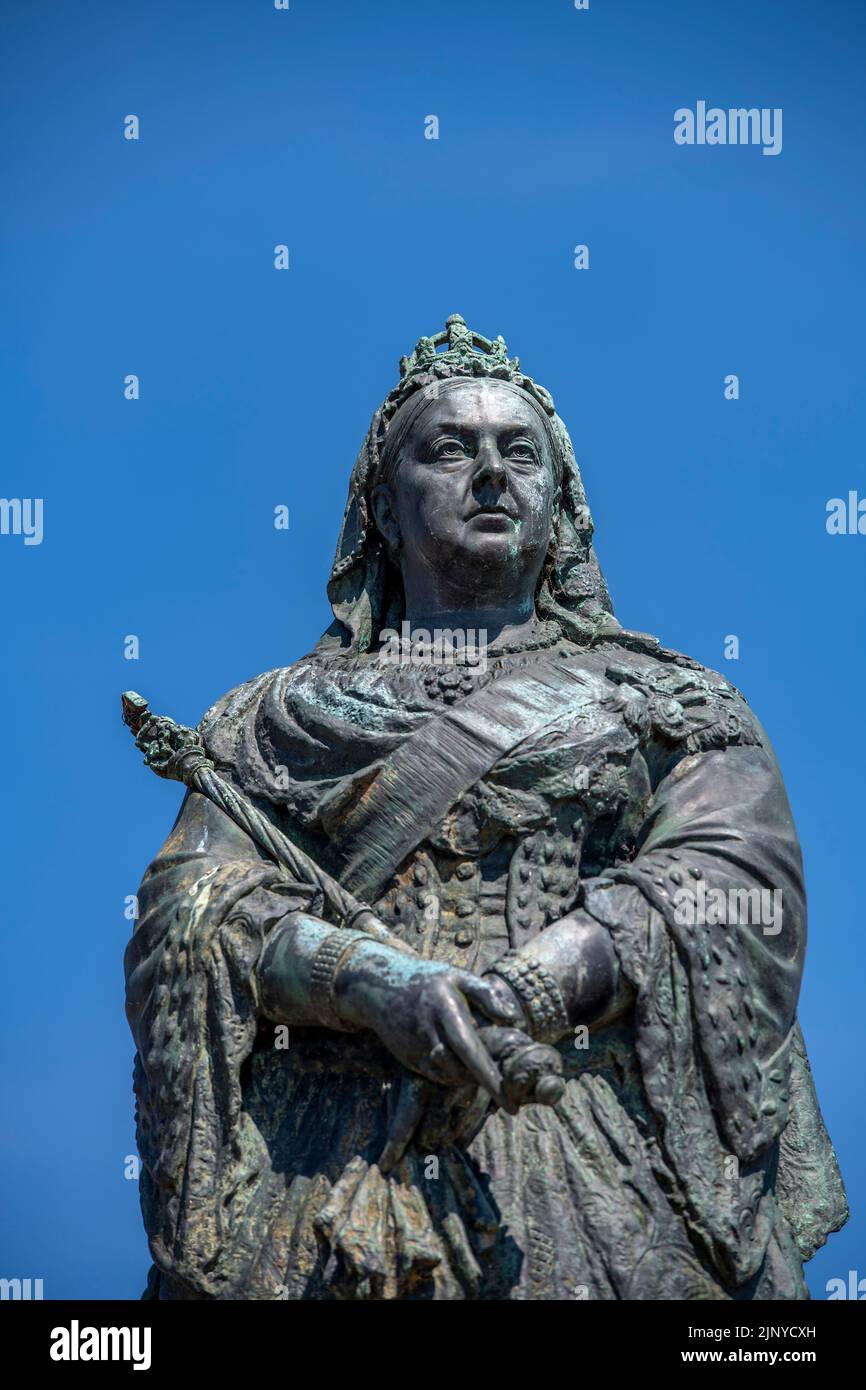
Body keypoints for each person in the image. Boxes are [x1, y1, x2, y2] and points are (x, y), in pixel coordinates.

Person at [125, 314, 846, 1300]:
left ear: (560, 503)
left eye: (520, 454)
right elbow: (184, 915)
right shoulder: (266, 719)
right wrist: (365, 979)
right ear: (380, 505)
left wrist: (530, 989)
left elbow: (731, 879)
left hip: (585, 1149)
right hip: (319, 1161)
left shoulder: (666, 705)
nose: (492, 475)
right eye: (450, 452)